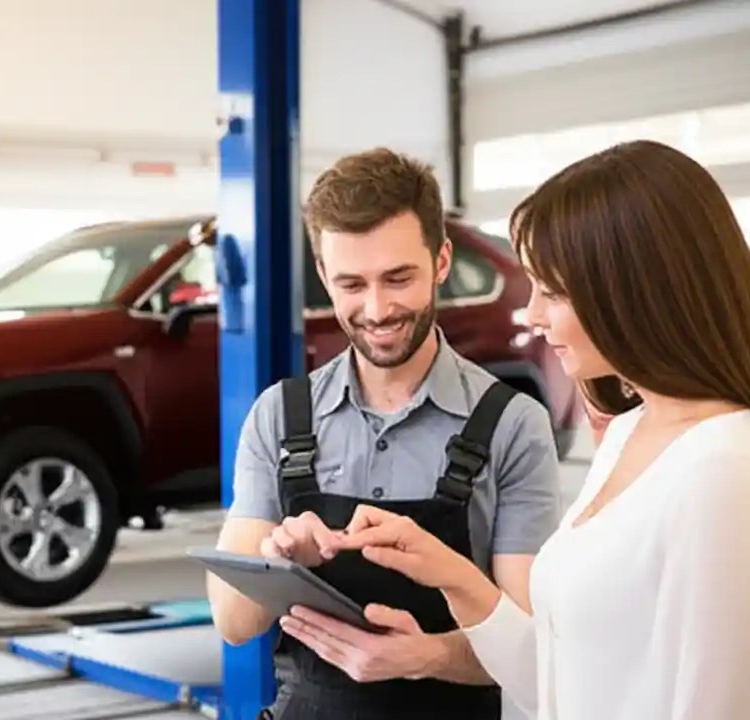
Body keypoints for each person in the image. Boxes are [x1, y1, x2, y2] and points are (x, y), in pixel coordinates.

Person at [331, 139, 750, 720]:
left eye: (554, 291)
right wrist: (452, 576)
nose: (534, 315)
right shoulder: (631, 431)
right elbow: (566, 678)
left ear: (635, 290)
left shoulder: (730, 473)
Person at [204, 147, 563, 719]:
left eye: (398, 278)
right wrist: (282, 564)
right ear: (323, 275)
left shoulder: (513, 426)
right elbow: (232, 623)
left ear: (441, 260)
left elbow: (531, 646)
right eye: (352, 283)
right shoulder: (279, 416)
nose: (377, 308)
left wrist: (426, 656)